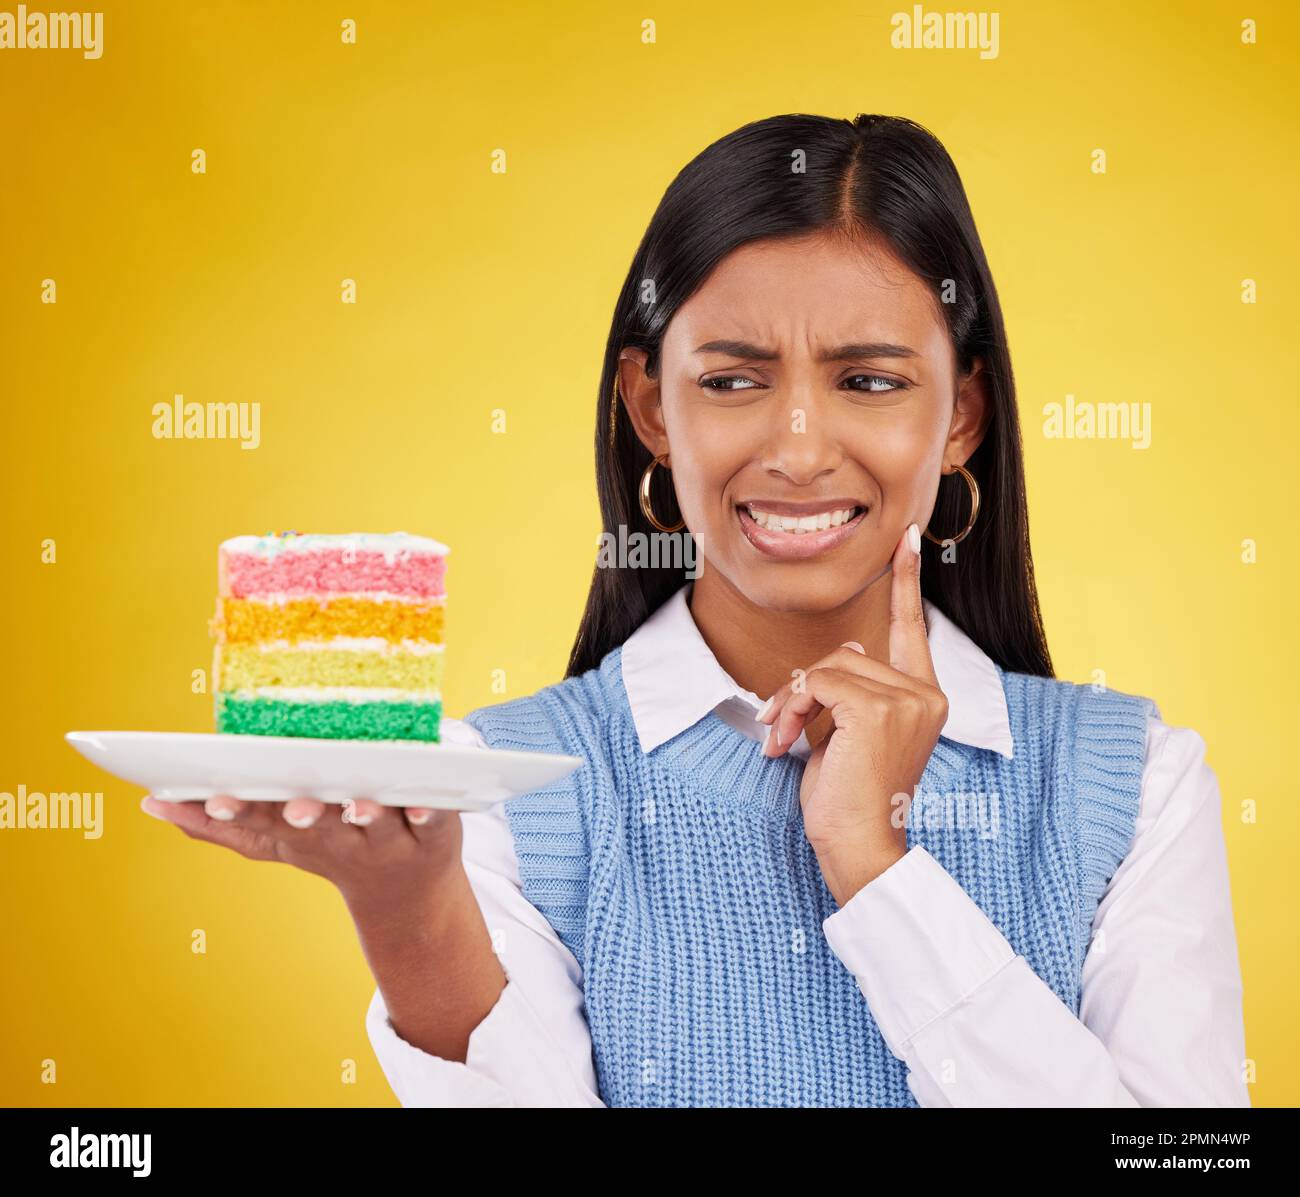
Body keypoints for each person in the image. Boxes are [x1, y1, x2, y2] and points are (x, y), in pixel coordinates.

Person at [143, 113, 1250, 1108]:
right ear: (649, 407)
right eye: (731, 380)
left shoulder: (1133, 784)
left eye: (868, 382)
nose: (800, 448)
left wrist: (876, 865)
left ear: (960, 414)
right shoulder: (496, 791)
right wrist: (405, 905)